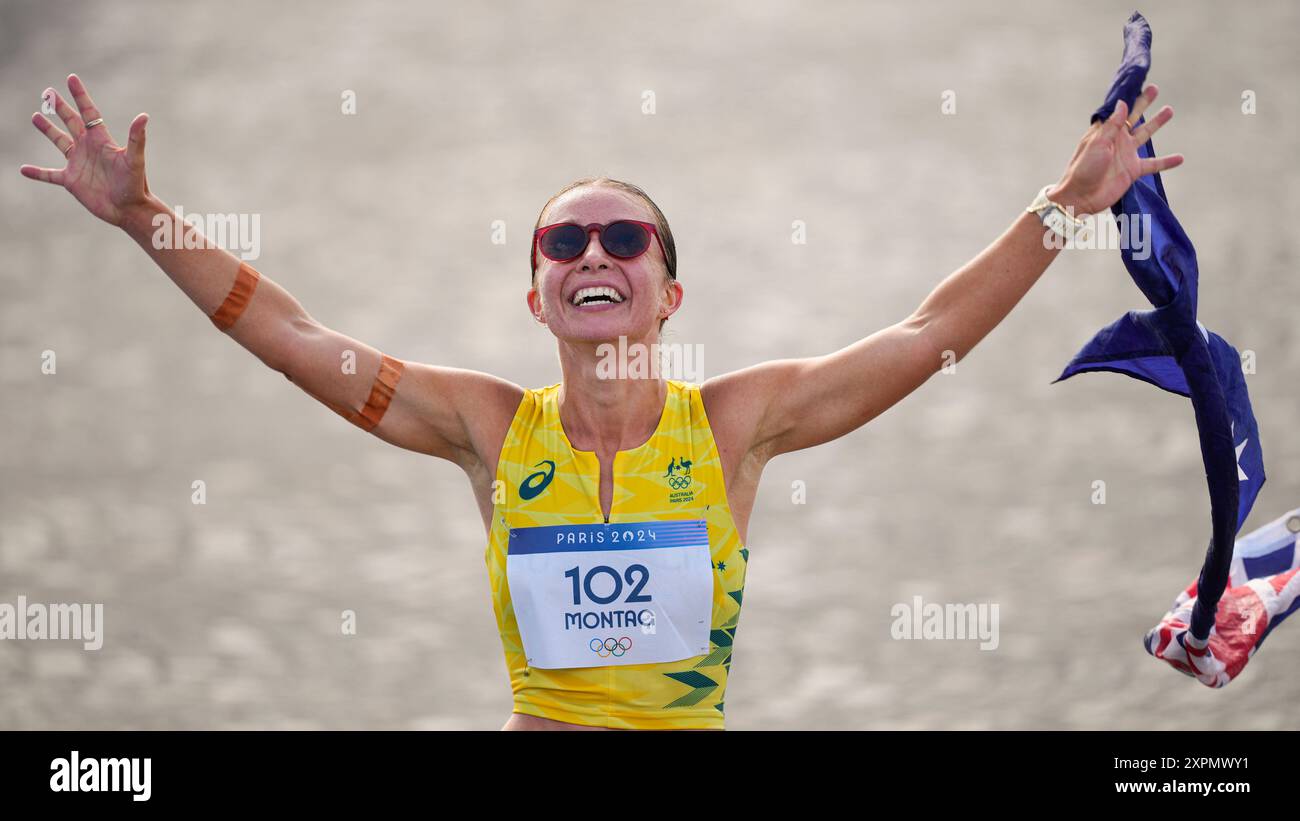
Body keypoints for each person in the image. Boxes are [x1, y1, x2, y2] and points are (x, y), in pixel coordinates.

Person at [20, 74, 1182, 731]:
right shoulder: (485, 427)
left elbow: (930, 333)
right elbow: (294, 338)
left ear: (667, 292)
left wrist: (1068, 201)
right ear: (536, 294)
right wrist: (142, 216)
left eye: (622, 237)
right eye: (561, 239)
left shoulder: (737, 424)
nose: (592, 249)